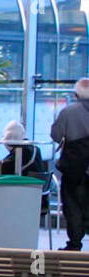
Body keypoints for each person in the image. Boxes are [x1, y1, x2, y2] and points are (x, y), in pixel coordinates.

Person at [51, 78, 89, 251]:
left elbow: (56, 135)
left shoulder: (68, 112)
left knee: (72, 204)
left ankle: (74, 243)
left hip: (74, 166)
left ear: (75, 94)